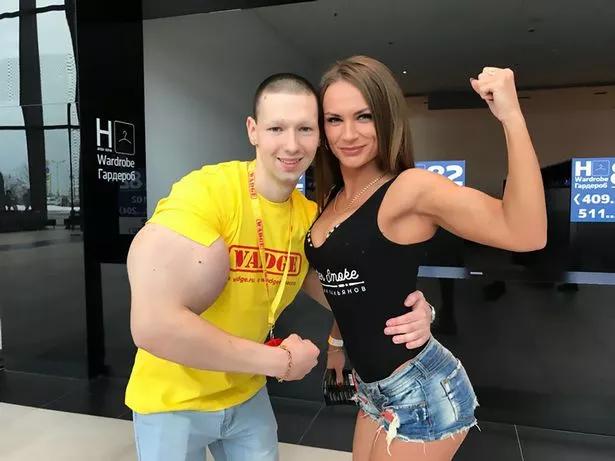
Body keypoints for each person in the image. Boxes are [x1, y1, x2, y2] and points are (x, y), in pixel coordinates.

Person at [125, 72, 437, 461]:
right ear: (253, 130)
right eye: (276, 128)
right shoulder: (206, 192)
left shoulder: (311, 219)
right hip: (171, 400)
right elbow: (153, 326)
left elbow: (349, 295)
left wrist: (415, 311)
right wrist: (279, 362)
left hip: (246, 394)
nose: (291, 145)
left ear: (319, 136)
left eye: (305, 129)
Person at [307, 56, 547, 461]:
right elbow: (346, 287)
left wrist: (511, 116)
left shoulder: (409, 189)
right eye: (334, 119)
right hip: (371, 387)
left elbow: (526, 232)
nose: (348, 134)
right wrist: (335, 344)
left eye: (364, 117)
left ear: (387, 119)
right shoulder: (333, 198)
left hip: (421, 389)